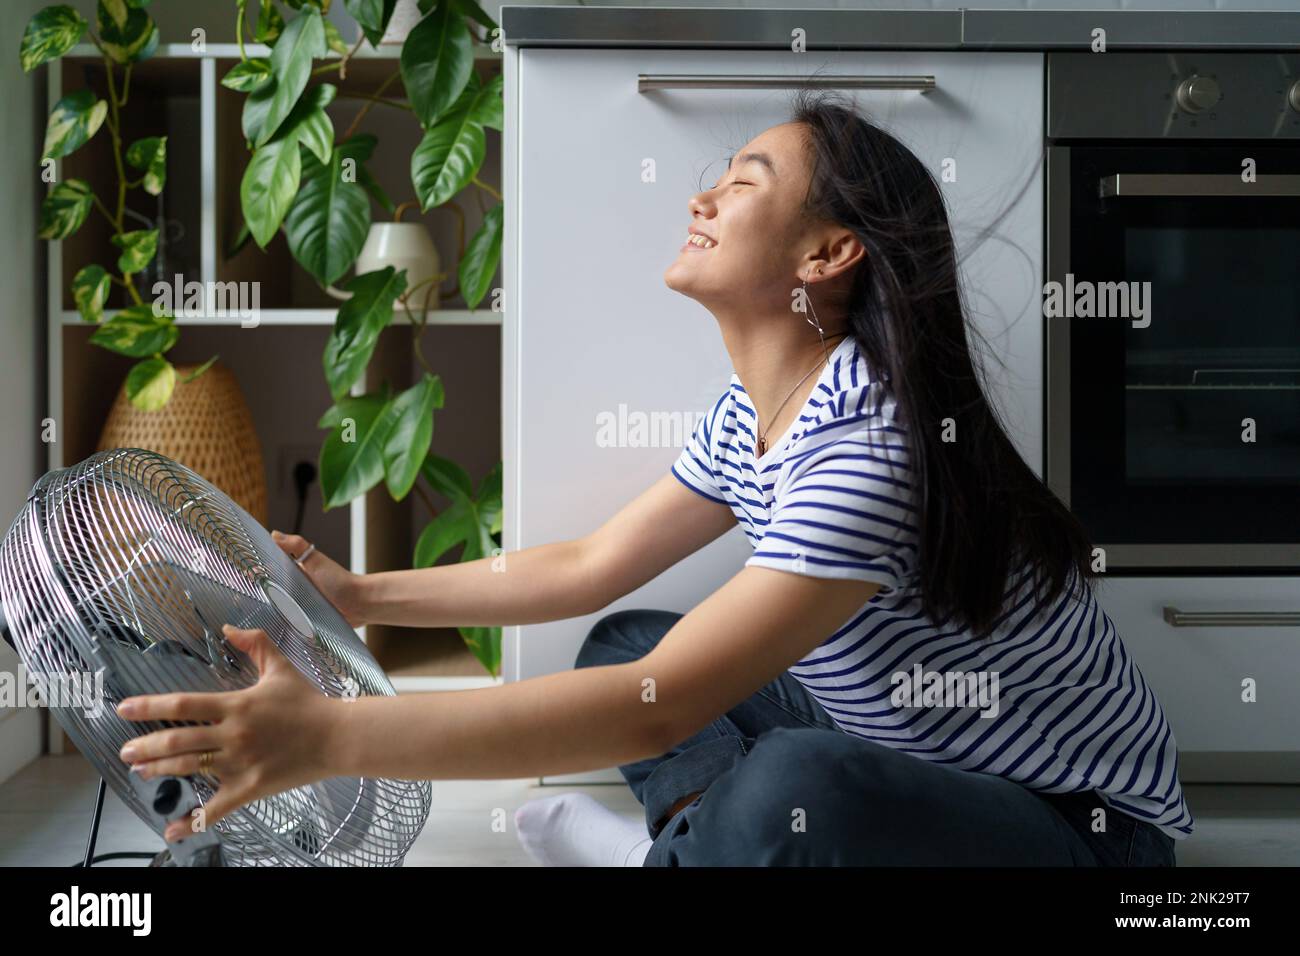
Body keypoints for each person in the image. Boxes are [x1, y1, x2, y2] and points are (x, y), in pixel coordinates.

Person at [116, 89, 1192, 866]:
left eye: (743, 182)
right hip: (896, 741)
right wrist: (363, 593)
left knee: (781, 780)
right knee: (626, 638)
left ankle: (663, 857)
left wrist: (331, 734)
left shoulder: (870, 449)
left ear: (825, 256)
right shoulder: (762, 408)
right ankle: (692, 847)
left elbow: (654, 713)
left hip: (1072, 829)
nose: (703, 195)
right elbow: (589, 564)